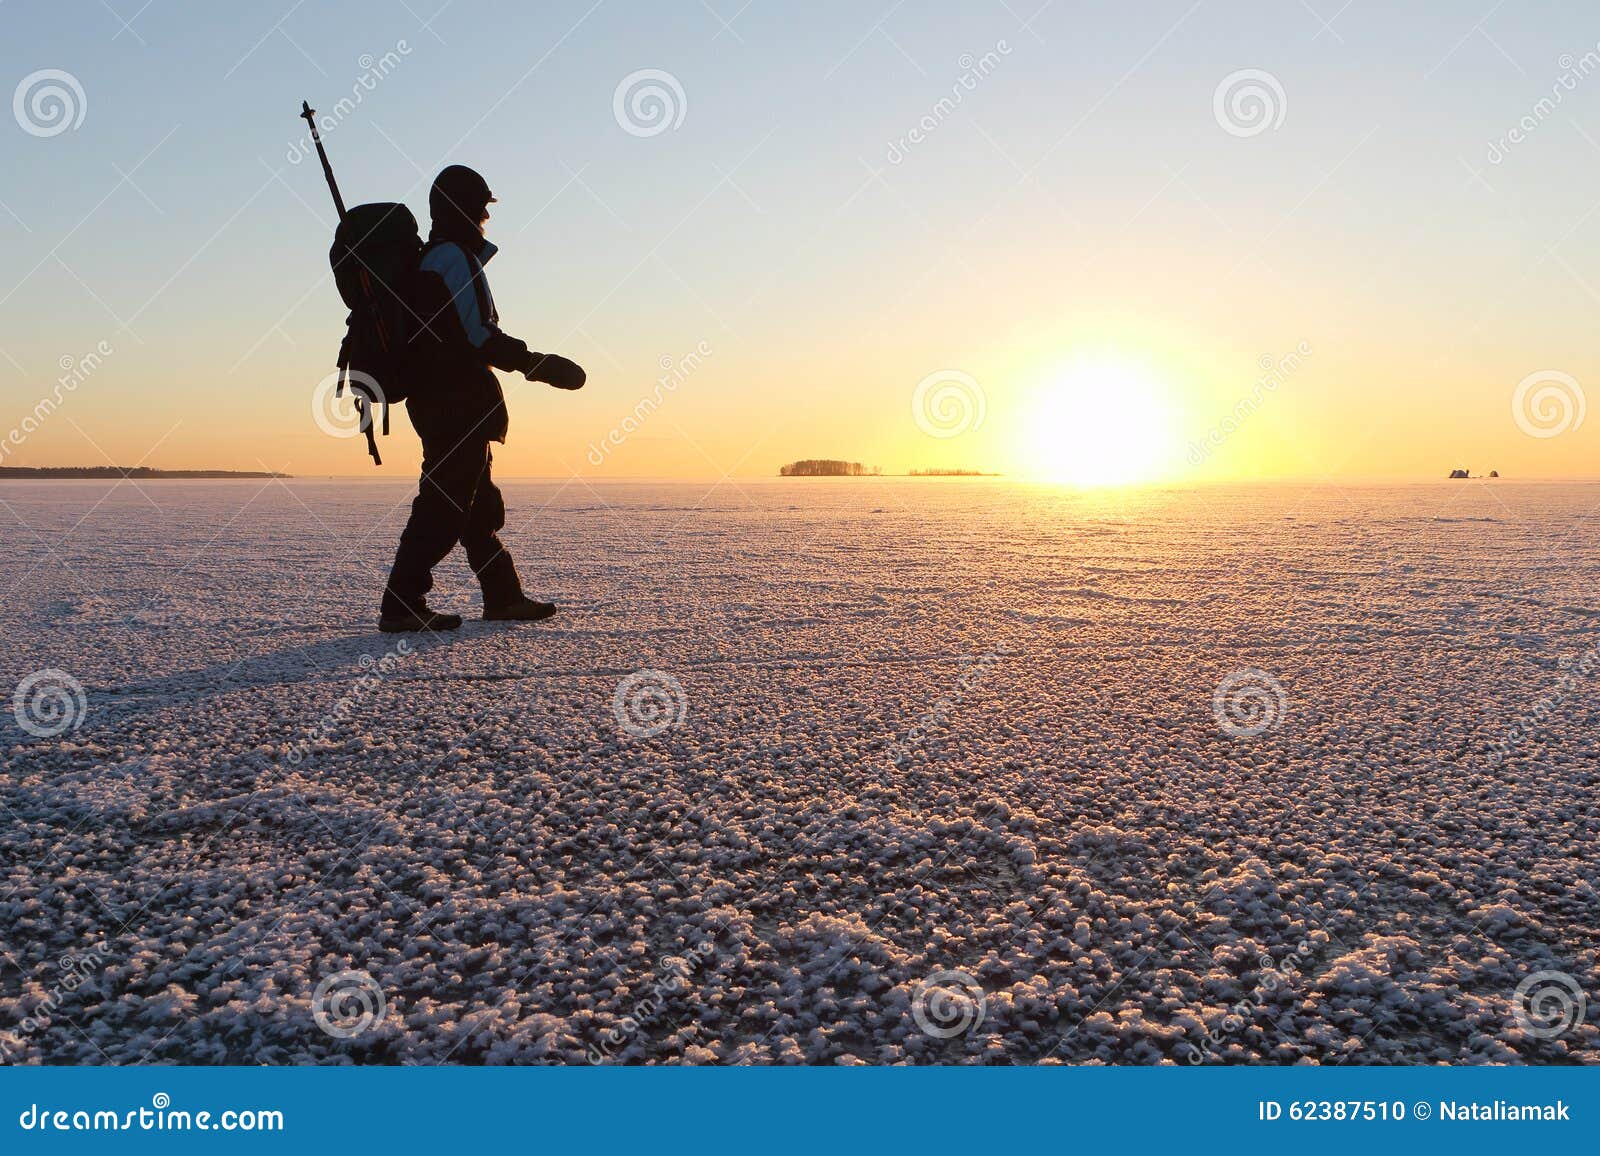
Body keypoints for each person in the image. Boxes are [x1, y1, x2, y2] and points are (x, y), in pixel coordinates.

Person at [379, 164, 585, 633]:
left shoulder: (436, 257)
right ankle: (402, 603)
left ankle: (503, 596)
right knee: (444, 504)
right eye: (480, 207)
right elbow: (477, 335)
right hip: (455, 402)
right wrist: (537, 364)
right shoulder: (452, 257)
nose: (485, 217)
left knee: (477, 506)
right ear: (462, 210)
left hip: (446, 400)